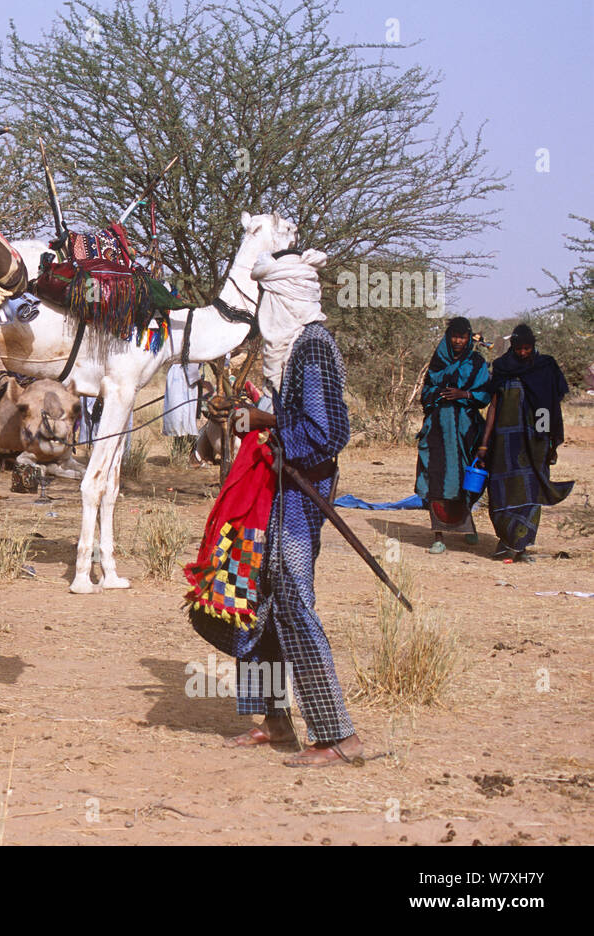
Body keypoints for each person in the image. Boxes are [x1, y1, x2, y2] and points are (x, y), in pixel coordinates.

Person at [217, 249, 361, 767]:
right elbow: (293, 416)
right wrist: (254, 415)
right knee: (259, 596)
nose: (262, 310)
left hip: (302, 496)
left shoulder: (313, 349)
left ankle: (338, 736)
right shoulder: (290, 349)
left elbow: (328, 433)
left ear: (287, 298)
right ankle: (274, 719)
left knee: (295, 601)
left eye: (268, 298)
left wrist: (264, 425)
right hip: (279, 490)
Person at [478, 323, 572, 562]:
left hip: (535, 441)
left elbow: (550, 406)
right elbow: (494, 406)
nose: (522, 353)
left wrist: (549, 442)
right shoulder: (502, 368)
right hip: (505, 442)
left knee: (531, 491)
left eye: (527, 348)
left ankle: (521, 546)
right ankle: (505, 542)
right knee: (502, 491)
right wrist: (484, 443)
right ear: (513, 346)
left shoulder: (545, 367)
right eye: (518, 348)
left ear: (533, 346)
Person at [415, 316, 490, 553]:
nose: (458, 341)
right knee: (435, 477)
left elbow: (485, 395)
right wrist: (439, 395)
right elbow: (425, 393)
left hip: (465, 431)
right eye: (454, 336)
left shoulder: (477, 362)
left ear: (469, 338)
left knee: (466, 478)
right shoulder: (438, 360)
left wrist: (464, 395)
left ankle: (468, 526)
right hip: (437, 430)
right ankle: (439, 535)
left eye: (463, 336)